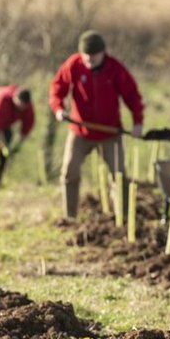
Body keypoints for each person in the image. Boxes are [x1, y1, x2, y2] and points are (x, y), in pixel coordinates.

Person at [51, 30, 145, 218]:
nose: (89, 60)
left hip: (110, 133)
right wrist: (59, 109)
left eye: (93, 57)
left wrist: (137, 122)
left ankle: (122, 218)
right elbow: (57, 88)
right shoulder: (73, 65)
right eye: (86, 57)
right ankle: (70, 217)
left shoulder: (116, 69)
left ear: (103, 53)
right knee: (69, 172)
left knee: (119, 176)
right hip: (80, 131)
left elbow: (132, 96)